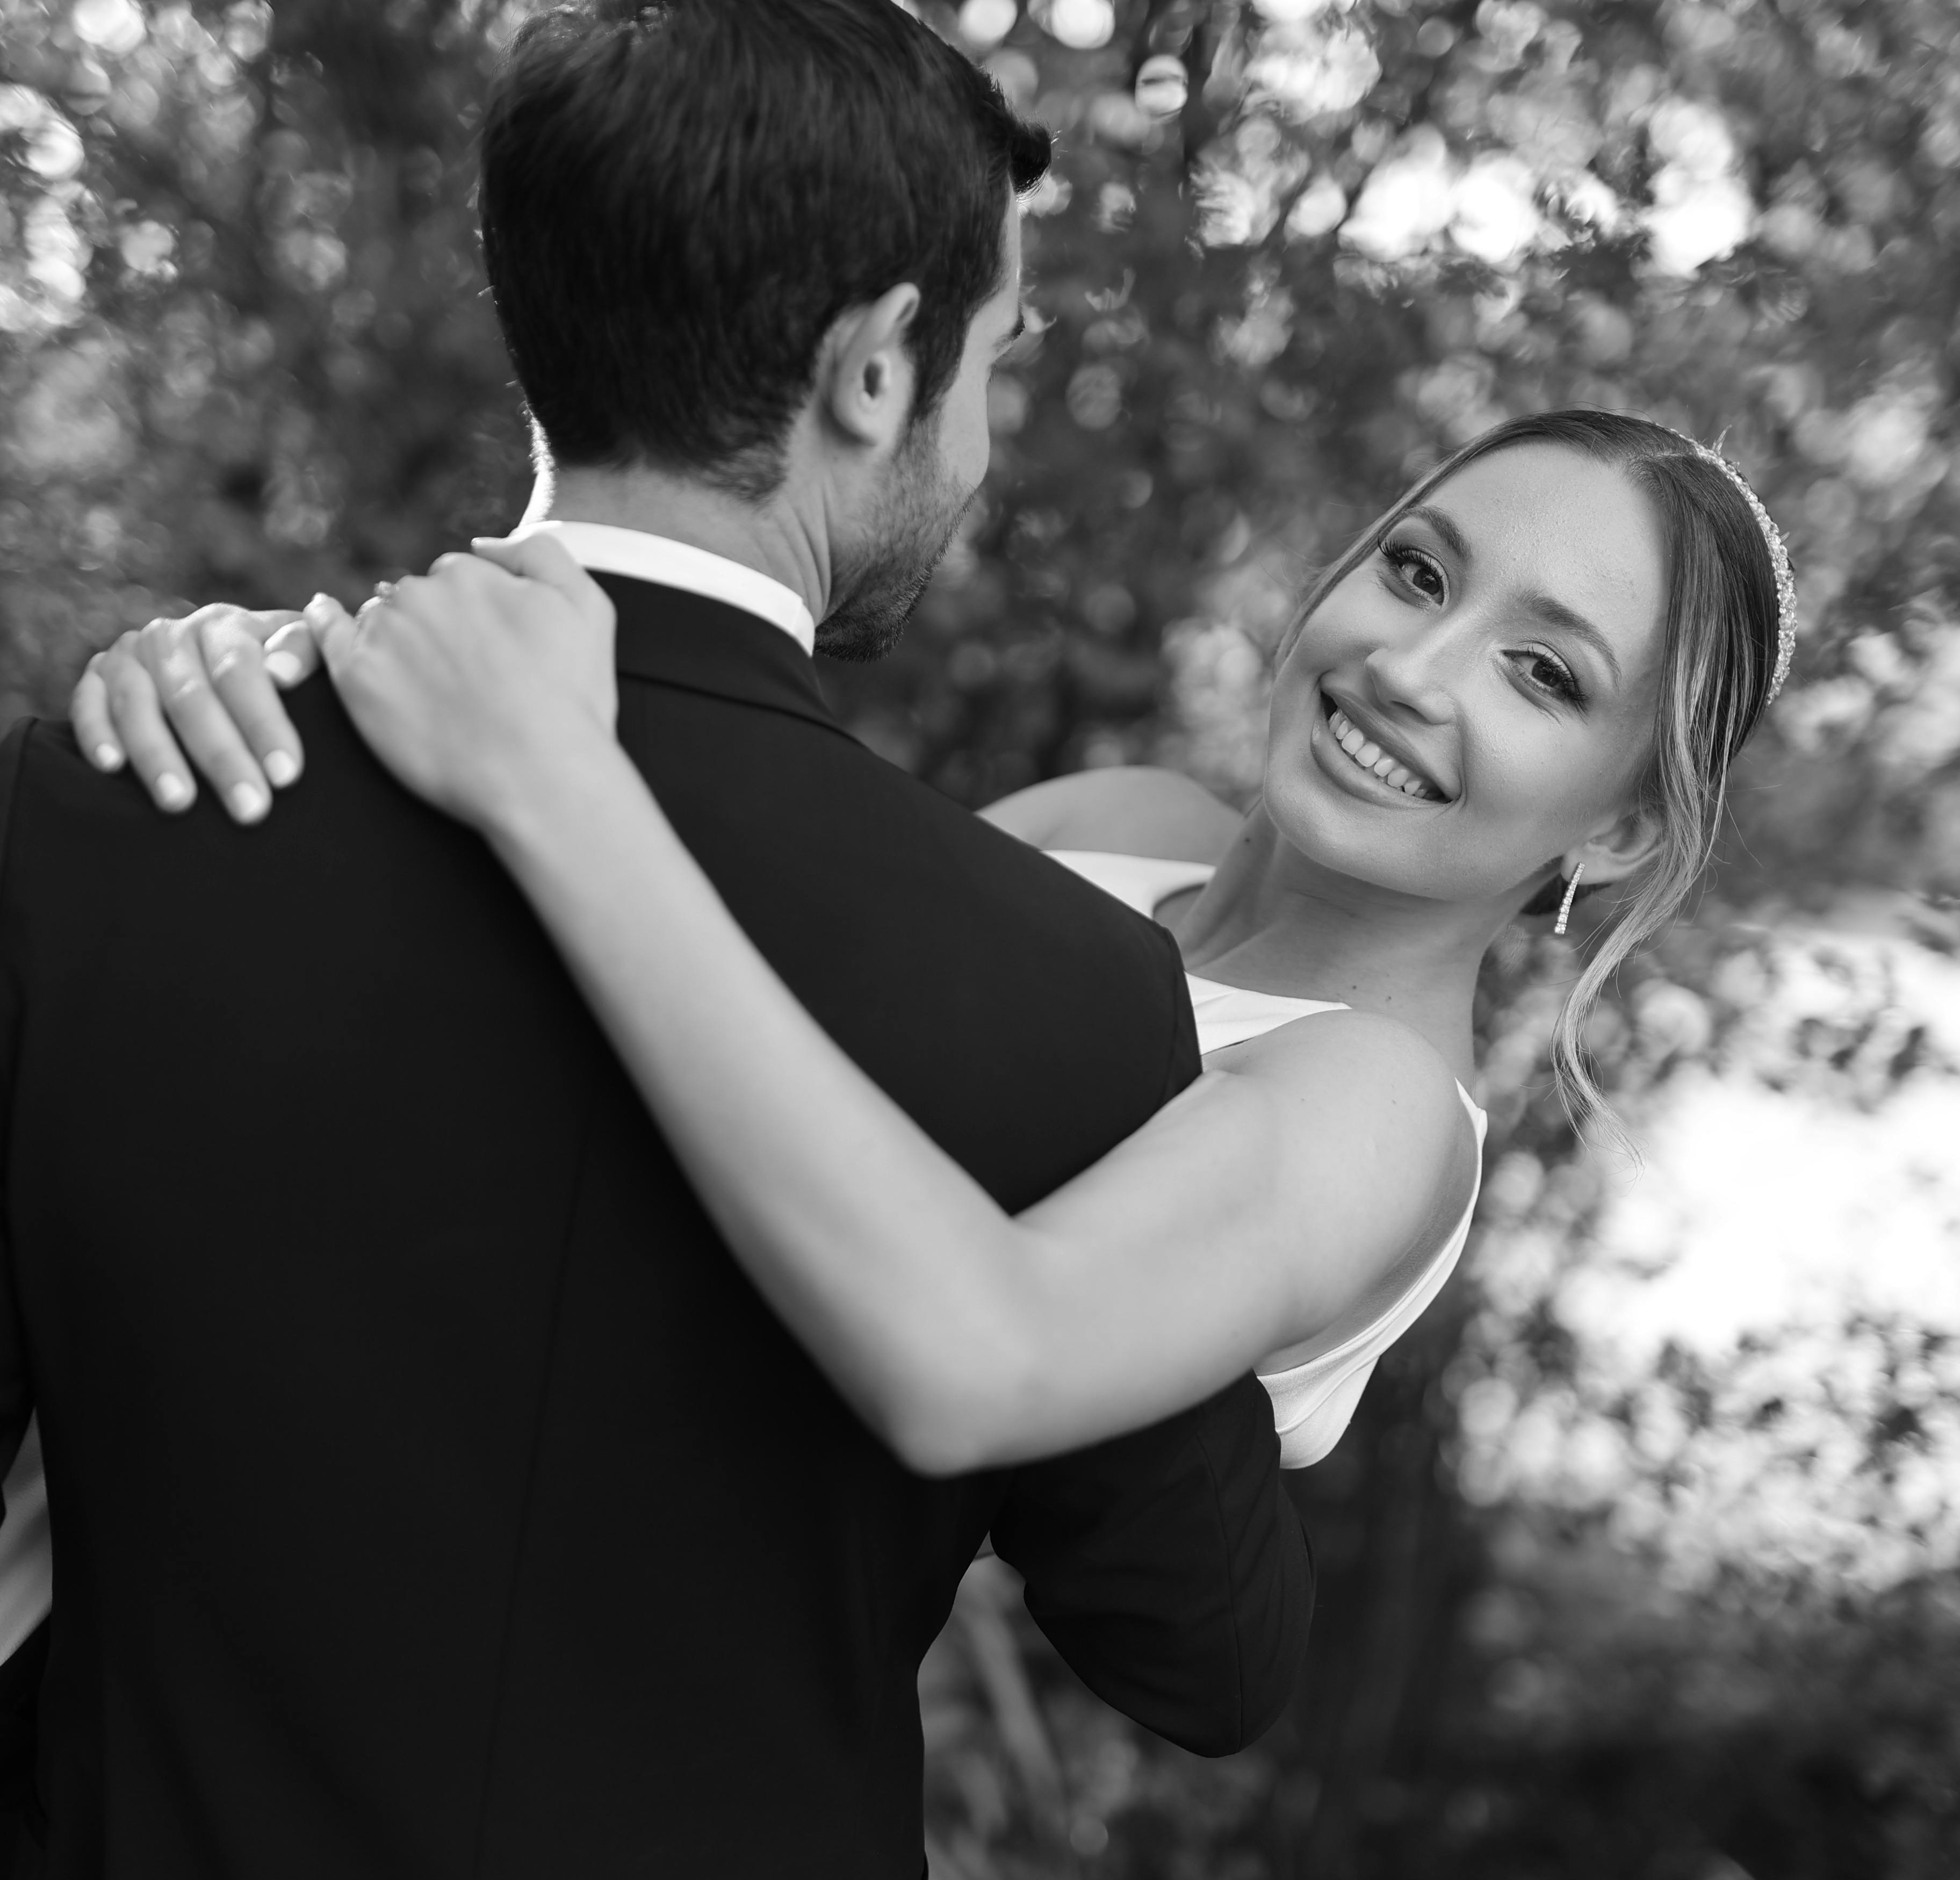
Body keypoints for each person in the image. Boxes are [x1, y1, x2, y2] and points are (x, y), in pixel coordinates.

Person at [0, 0, 1312, 1880]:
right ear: (865, 370)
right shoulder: (1050, 994)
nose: (992, 416)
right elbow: (1202, 1649)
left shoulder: (97, 810)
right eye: (999, 355)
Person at [83, 409, 1793, 1485]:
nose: (1416, 670)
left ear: (1623, 826)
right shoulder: (1126, 820)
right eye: (1419, 573)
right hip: (394, 1412)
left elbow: (977, 1364)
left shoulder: (1380, 1111)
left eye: (1546, 672)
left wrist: (551, 783)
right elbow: (671, 978)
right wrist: (283, 695)